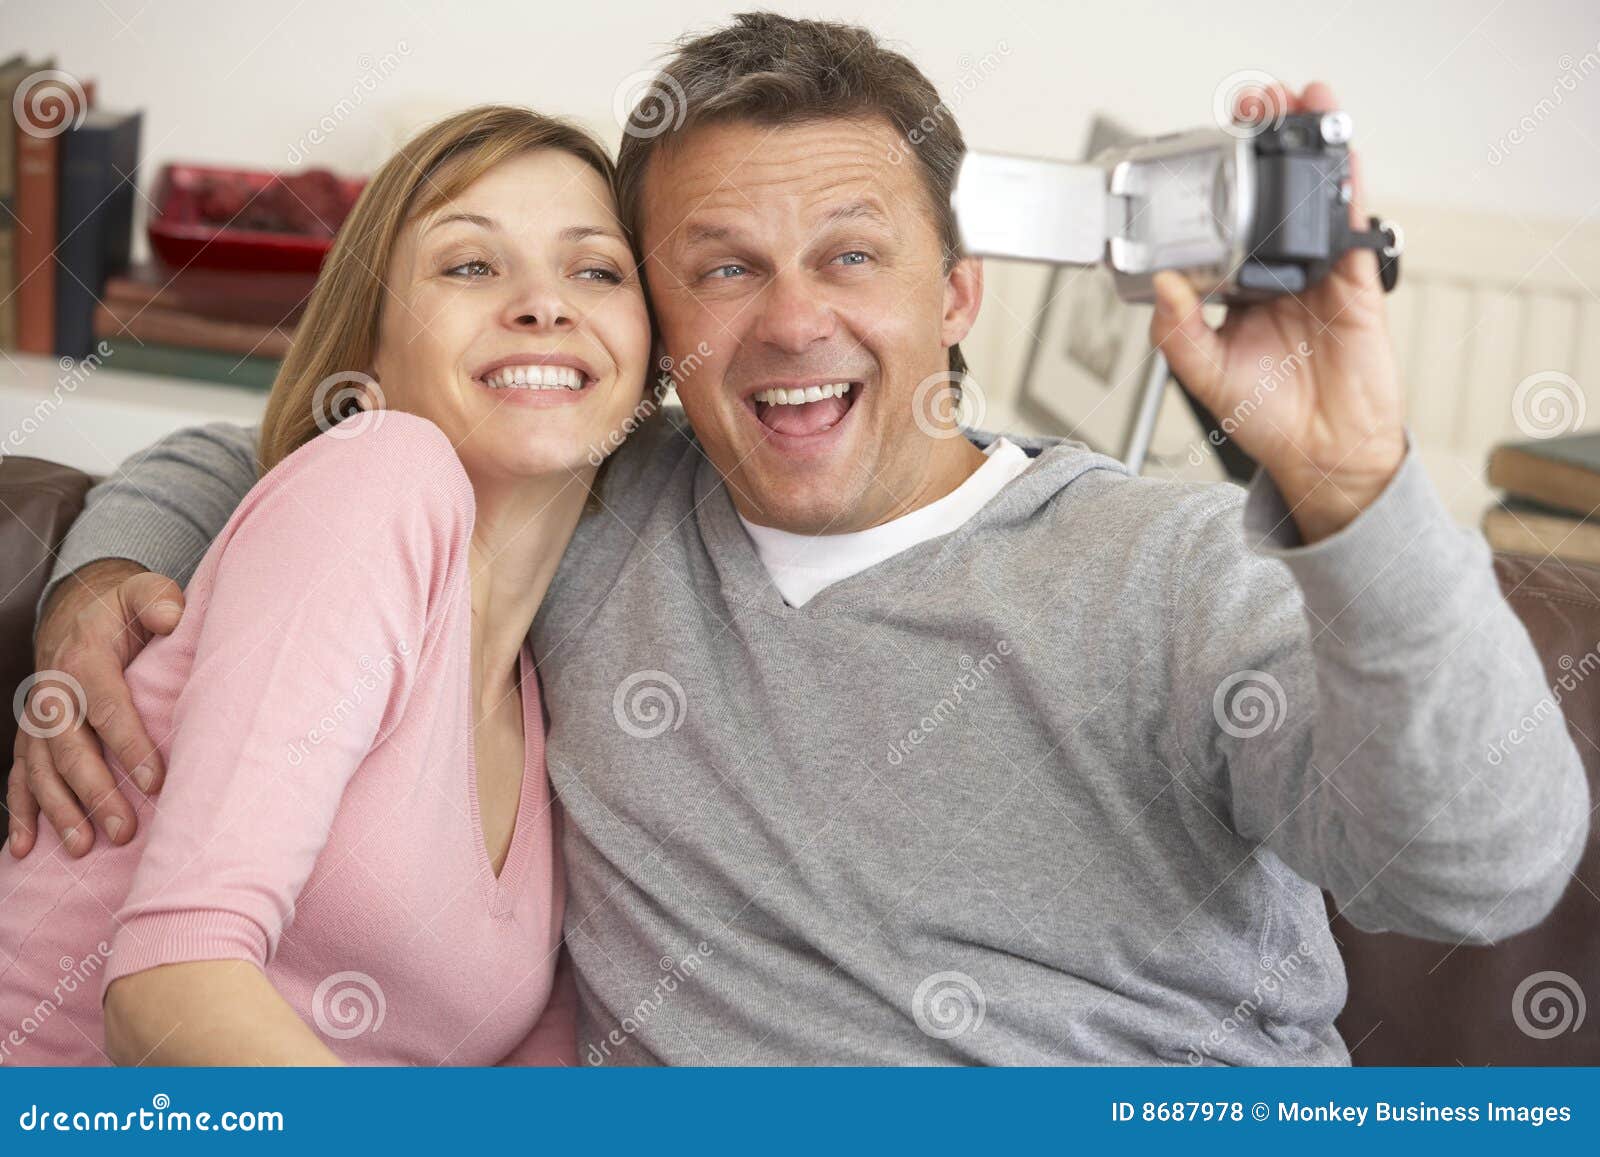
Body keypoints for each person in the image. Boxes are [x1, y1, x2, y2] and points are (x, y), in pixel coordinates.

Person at [10, 14, 1588, 1065]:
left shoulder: (1167, 572)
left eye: (851, 255)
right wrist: (107, 576)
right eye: (720, 268)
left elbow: (1488, 866)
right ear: (653, 327)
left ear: (956, 293)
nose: (791, 322)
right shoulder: (588, 512)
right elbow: (309, 453)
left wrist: (1358, 491)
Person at [0, 104, 654, 1064]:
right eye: (470, 265)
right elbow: (167, 990)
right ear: (365, 355)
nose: (544, 305)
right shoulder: (379, 476)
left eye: (596, 270)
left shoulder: (551, 694)